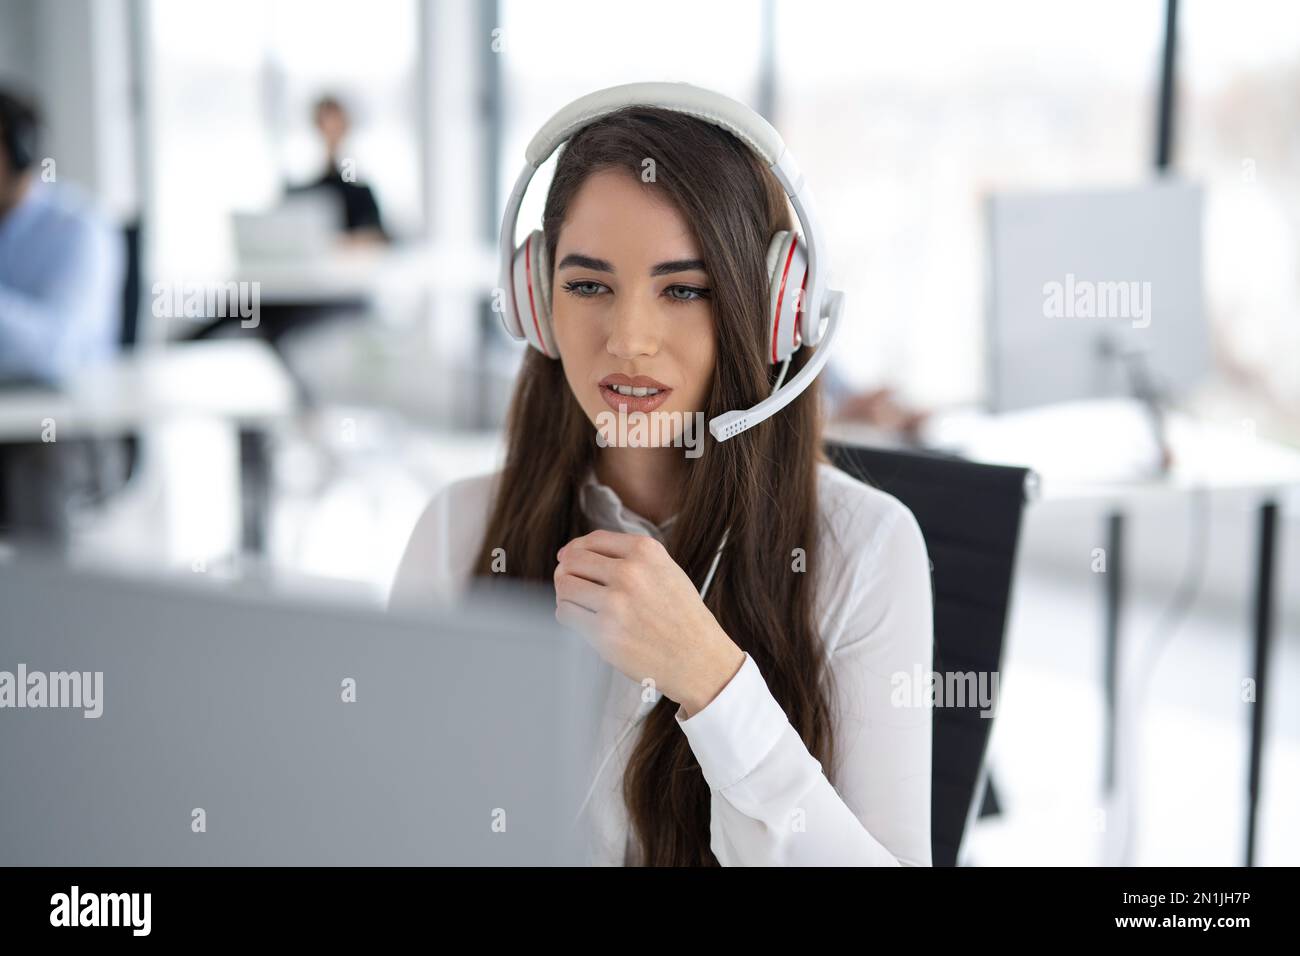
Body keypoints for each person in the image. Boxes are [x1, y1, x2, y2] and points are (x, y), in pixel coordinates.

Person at [390, 88, 933, 867]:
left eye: (684, 289)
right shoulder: (458, 529)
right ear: (535, 303)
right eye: (588, 285)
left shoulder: (867, 550)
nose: (630, 339)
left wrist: (713, 683)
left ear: (773, 309)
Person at [0, 87, 126, 543]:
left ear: (22, 153)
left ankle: (47, 608)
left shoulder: (79, 228)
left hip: (67, 428)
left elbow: (56, 349)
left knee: (41, 451)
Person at [290, 94, 388, 245]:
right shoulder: (301, 187)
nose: (331, 132)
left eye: (336, 125)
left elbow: (377, 235)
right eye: (325, 125)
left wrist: (344, 242)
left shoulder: (358, 189)